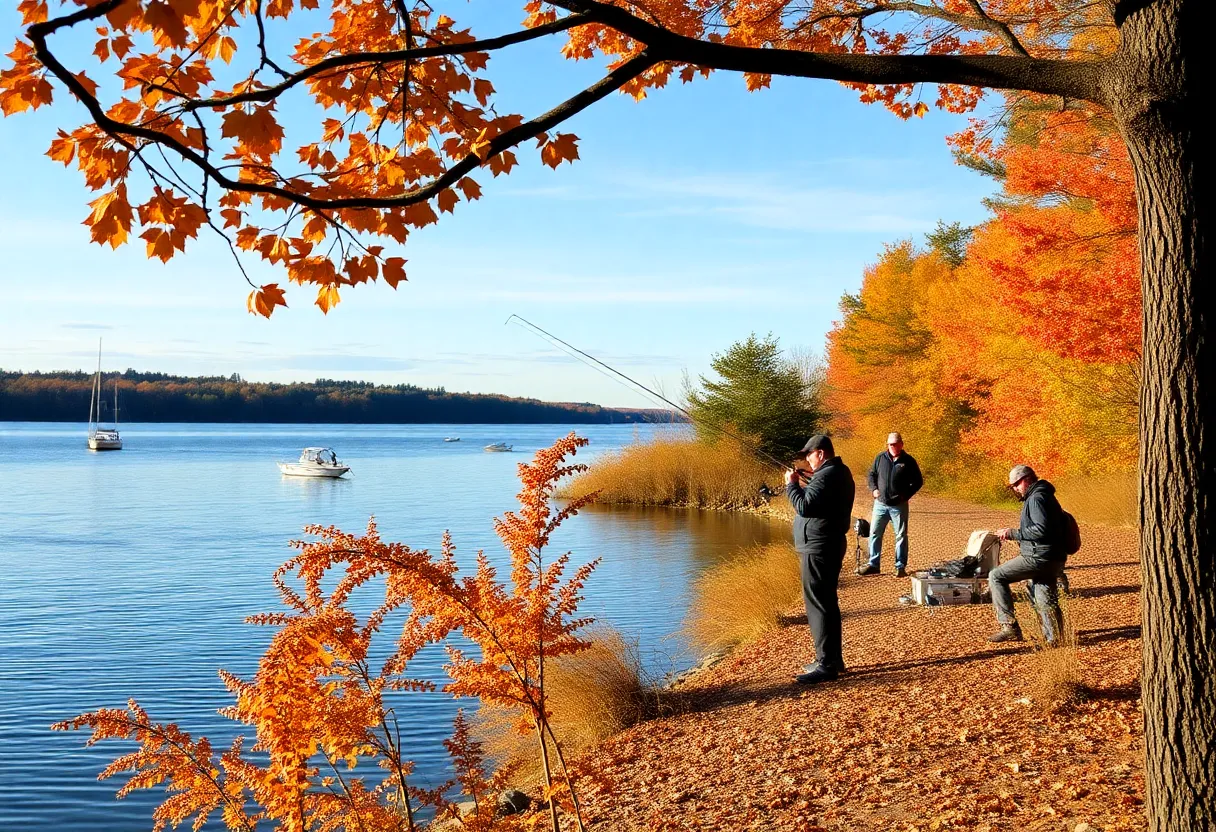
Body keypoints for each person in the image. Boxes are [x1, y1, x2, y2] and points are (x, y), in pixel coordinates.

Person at [784, 434, 855, 685]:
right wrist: (807, 481)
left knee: (818, 604)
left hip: (819, 547)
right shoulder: (835, 473)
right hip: (825, 545)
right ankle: (832, 659)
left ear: (821, 453)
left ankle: (826, 664)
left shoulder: (828, 475)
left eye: (809, 455)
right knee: (826, 602)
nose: (807, 460)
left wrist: (791, 485)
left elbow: (804, 506)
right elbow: (817, 500)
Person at [988, 464, 1067, 645]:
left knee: (996, 576)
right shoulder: (1045, 495)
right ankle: (1055, 639)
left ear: (1026, 479)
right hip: (1053, 557)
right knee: (1043, 595)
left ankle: (1009, 627)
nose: (1015, 489)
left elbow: (1041, 530)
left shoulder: (1036, 499)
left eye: (1016, 485)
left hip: (1039, 557)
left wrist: (1012, 533)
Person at [857, 432, 924, 578]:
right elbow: (871, 475)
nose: (892, 446)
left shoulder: (908, 461)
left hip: (898, 506)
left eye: (895, 444)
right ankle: (873, 564)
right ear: (887, 445)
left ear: (901, 444)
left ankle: (900, 566)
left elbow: (918, 481)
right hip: (880, 504)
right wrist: (874, 489)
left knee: (900, 535)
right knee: (874, 533)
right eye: (890, 444)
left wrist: (906, 495)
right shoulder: (880, 458)